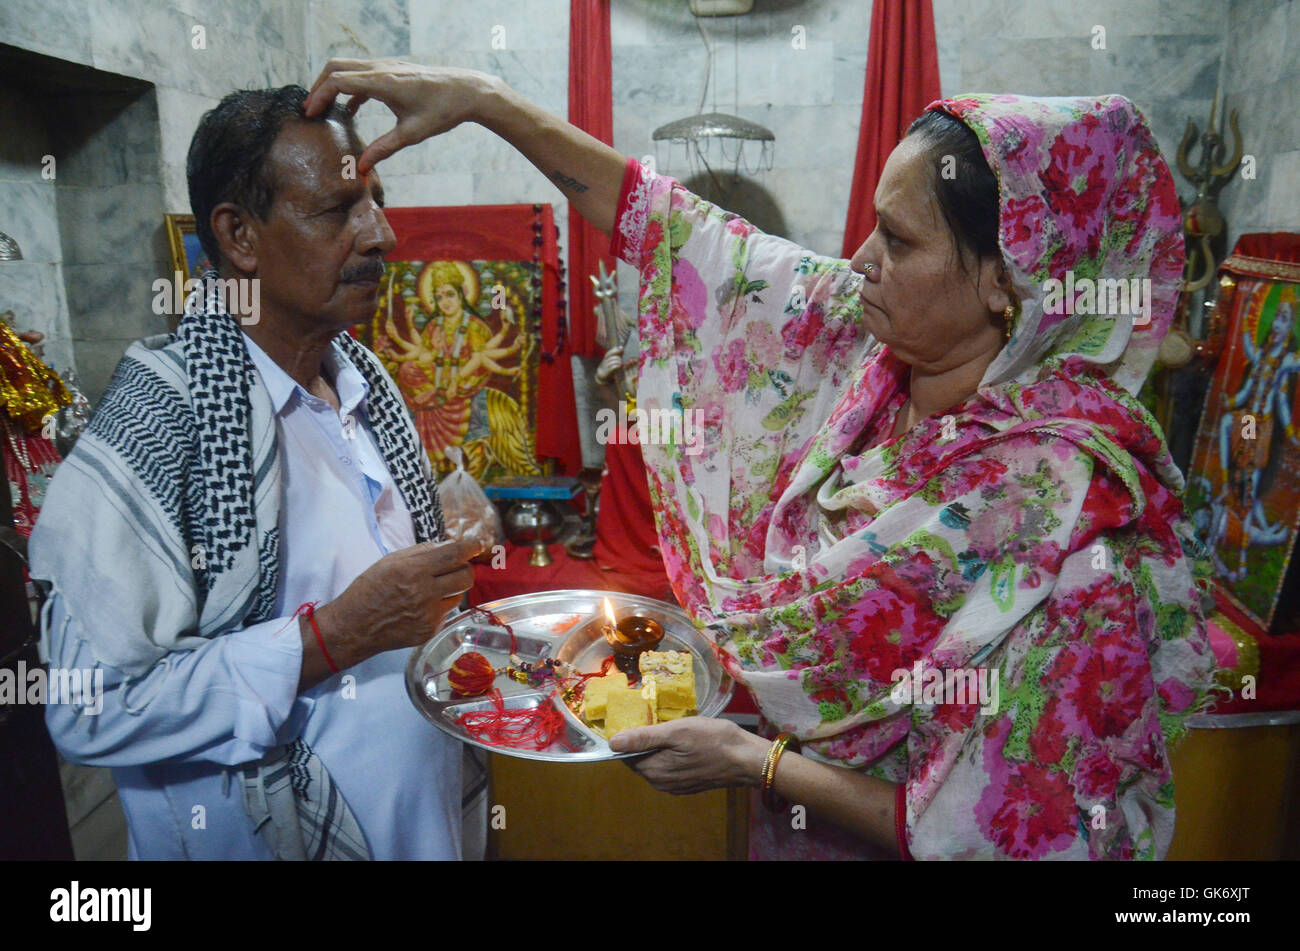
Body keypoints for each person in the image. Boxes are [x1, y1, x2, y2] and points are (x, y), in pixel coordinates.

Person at [304, 61, 1218, 859]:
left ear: (1003, 279)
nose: (857, 260)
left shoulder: (1079, 528)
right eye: (871, 228)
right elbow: (674, 230)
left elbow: (1013, 831)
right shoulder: (872, 352)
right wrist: (486, 102)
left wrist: (758, 761)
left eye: (897, 241)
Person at [29, 85, 483, 860]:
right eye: (340, 208)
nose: (382, 234)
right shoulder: (163, 420)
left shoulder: (362, 380)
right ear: (239, 237)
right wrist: (330, 637)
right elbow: (90, 707)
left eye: (377, 199)